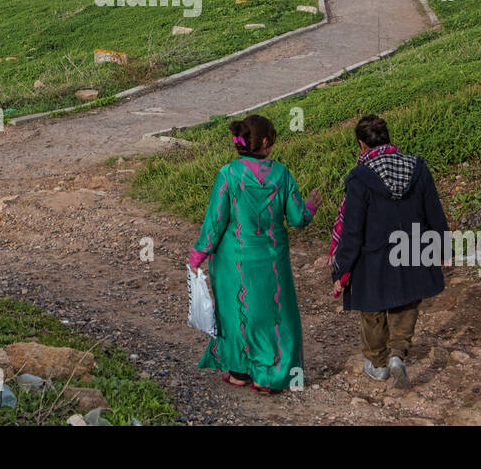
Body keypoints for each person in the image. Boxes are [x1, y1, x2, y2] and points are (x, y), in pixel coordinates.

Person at [189, 113, 319, 393]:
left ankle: (238, 372)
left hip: (233, 261)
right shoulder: (281, 174)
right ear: (263, 141)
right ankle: (267, 376)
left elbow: (215, 222)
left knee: (236, 312)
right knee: (275, 316)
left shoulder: (228, 175)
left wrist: (198, 254)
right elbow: (297, 218)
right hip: (273, 259)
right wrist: (310, 206)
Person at [329, 114, 449, 389]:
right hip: (412, 249)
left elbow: (352, 229)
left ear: (361, 144)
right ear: (388, 138)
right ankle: (398, 354)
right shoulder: (417, 167)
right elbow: (434, 212)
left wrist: (343, 266)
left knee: (372, 309)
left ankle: (378, 364)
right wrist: (441, 246)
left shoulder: (360, 177)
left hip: (373, 256)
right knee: (406, 303)